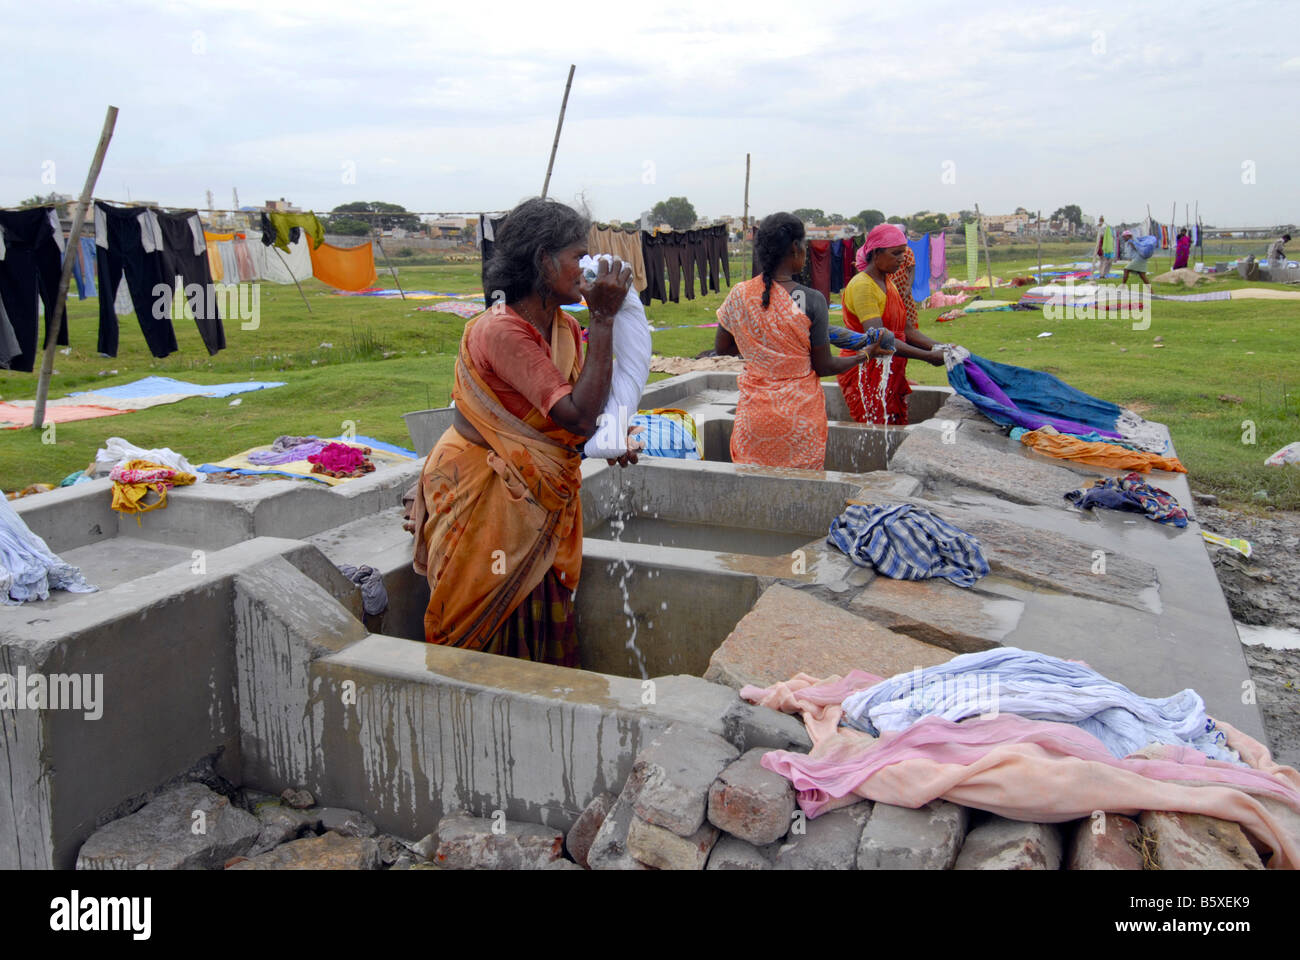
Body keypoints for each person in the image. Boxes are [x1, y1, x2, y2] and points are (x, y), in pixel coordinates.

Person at [410, 197, 638, 667]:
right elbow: (574, 415)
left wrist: (610, 439)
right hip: (486, 495)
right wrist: (605, 317)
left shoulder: (565, 328)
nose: (587, 267)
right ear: (543, 259)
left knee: (537, 620)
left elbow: (576, 421)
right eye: (578, 255)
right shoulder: (499, 330)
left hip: (539, 495)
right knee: (481, 633)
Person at [713, 213, 890, 469]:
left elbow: (722, 347)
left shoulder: (739, 294)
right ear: (796, 247)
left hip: (753, 418)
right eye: (804, 244)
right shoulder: (812, 300)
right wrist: (866, 354)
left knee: (754, 494)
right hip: (799, 419)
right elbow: (824, 366)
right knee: (800, 494)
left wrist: (762, 351)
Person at [838, 223, 947, 425]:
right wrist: (928, 356)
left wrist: (941, 347)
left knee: (894, 425)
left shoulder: (888, 283)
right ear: (876, 253)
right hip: (866, 370)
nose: (901, 259)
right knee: (877, 432)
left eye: (903, 253)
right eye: (896, 253)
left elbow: (907, 330)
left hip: (889, 369)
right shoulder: (864, 286)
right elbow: (880, 340)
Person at [1094, 216, 1115, 281]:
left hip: (1099, 247)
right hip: (1102, 247)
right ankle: (1102, 275)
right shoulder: (1103, 229)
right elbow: (1102, 235)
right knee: (1104, 261)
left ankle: (1102, 273)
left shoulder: (1098, 228)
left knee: (1102, 261)